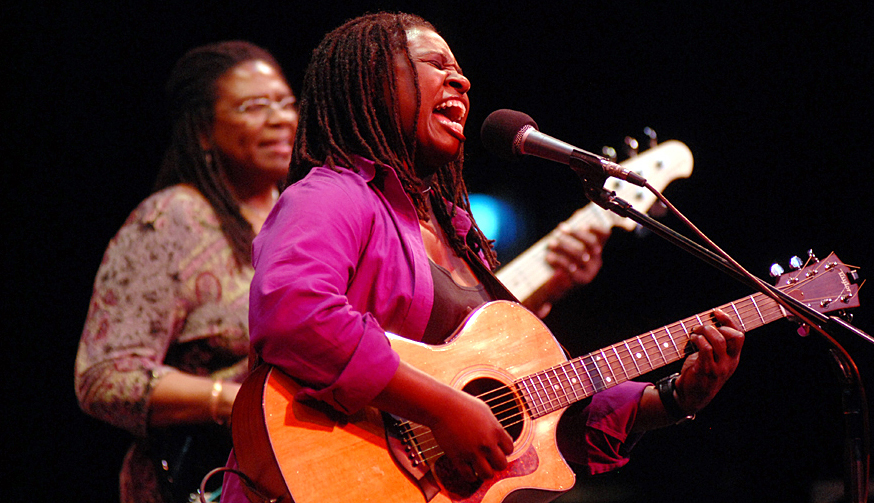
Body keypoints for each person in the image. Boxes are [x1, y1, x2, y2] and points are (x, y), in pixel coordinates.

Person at [221, 11, 743, 502]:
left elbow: (531, 416)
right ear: (374, 83)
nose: (462, 82)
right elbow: (293, 311)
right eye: (436, 65)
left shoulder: (457, 232)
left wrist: (673, 398)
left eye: (461, 70)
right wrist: (443, 408)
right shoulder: (333, 195)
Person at [74, 40, 299, 503]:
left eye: (285, 103)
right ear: (202, 132)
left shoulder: (305, 215)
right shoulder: (174, 219)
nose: (280, 118)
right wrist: (237, 403)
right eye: (255, 107)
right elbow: (104, 376)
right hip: (205, 479)